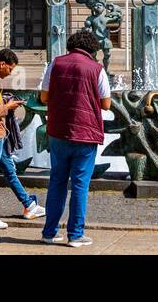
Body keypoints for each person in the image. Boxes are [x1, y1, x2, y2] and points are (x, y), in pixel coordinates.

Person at [39, 29, 111, 248]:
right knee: (80, 184)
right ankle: (75, 235)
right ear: (92, 50)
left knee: (57, 182)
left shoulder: (55, 64)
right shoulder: (97, 69)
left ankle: (49, 232)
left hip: (59, 132)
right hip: (85, 134)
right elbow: (106, 104)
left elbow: (44, 97)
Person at [0, 49, 43, 229]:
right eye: (10, 69)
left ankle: (29, 205)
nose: (10, 72)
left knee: (10, 172)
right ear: (1, 63)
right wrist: (8, 106)